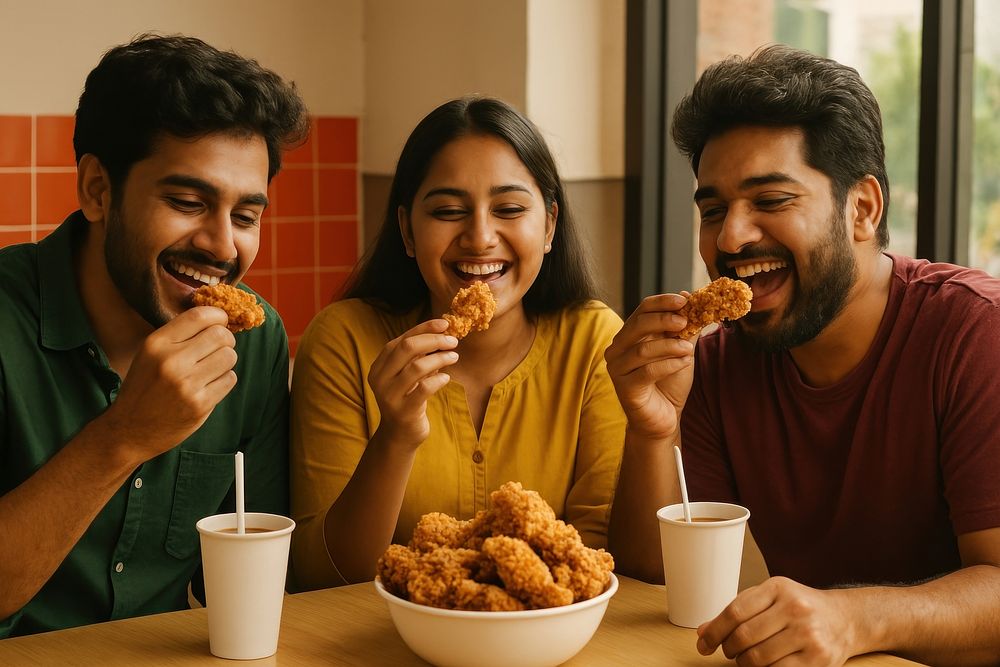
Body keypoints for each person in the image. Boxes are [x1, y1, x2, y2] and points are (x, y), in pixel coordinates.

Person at [606, 45, 1000, 666]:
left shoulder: (976, 336)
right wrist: (653, 431)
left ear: (862, 209)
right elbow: (654, 581)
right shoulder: (715, 364)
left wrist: (853, 619)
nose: (731, 236)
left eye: (770, 200)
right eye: (713, 209)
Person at [0, 34, 309, 637]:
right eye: (188, 201)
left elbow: (267, 555)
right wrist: (124, 437)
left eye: (246, 216)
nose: (223, 246)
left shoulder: (257, 338)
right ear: (98, 190)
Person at [289, 96, 625, 588]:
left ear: (550, 225)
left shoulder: (595, 341)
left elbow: (596, 562)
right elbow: (322, 576)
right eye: (448, 211)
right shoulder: (344, 340)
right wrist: (397, 435)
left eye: (509, 208)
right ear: (407, 230)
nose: (480, 237)